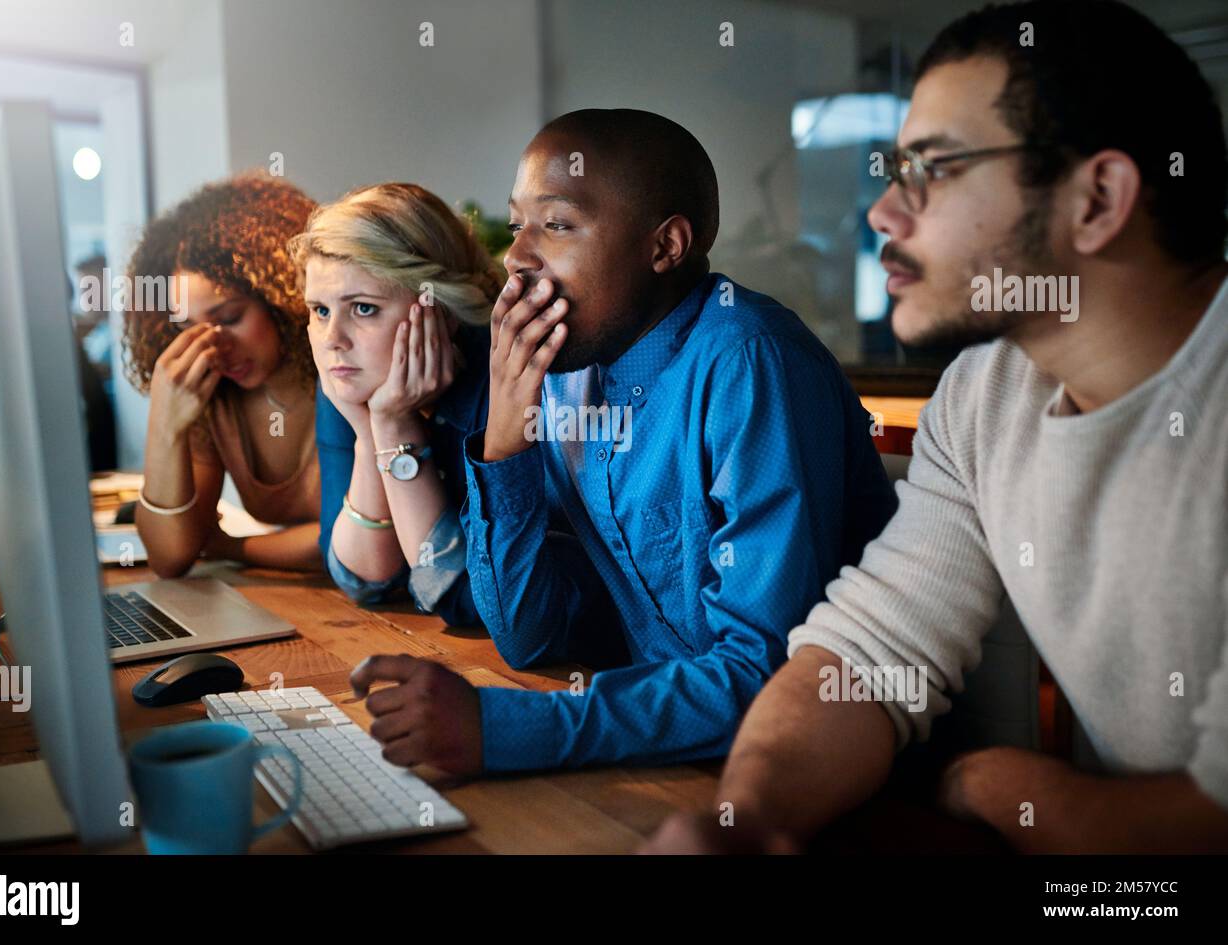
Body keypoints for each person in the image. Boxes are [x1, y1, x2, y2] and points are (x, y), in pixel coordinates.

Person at [645, 0, 1228, 854]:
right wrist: (749, 819)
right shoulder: (987, 393)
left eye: (934, 168)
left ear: (1097, 199)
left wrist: (994, 782)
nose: (882, 212)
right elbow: (868, 651)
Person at [349, 109, 898, 777]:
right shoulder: (567, 377)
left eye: (556, 225)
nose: (516, 256)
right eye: (518, 222)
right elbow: (526, 635)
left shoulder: (748, 363)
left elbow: (767, 675)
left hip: (823, 773)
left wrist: (505, 727)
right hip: (669, 756)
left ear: (665, 246)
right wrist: (505, 437)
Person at [289, 183, 500, 625]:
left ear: (438, 309)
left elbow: (465, 597)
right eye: (320, 310)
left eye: (363, 309)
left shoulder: (500, 386)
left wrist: (395, 426)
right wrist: (372, 433)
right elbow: (363, 579)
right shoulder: (354, 382)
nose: (333, 340)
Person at [122, 173, 322, 577]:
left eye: (229, 318)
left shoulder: (343, 370)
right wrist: (165, 424)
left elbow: (358, 544)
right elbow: (170, 556)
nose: (212, 345)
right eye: (185, 327)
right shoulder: (216, 395)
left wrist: (229, 546)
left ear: (283, 297)